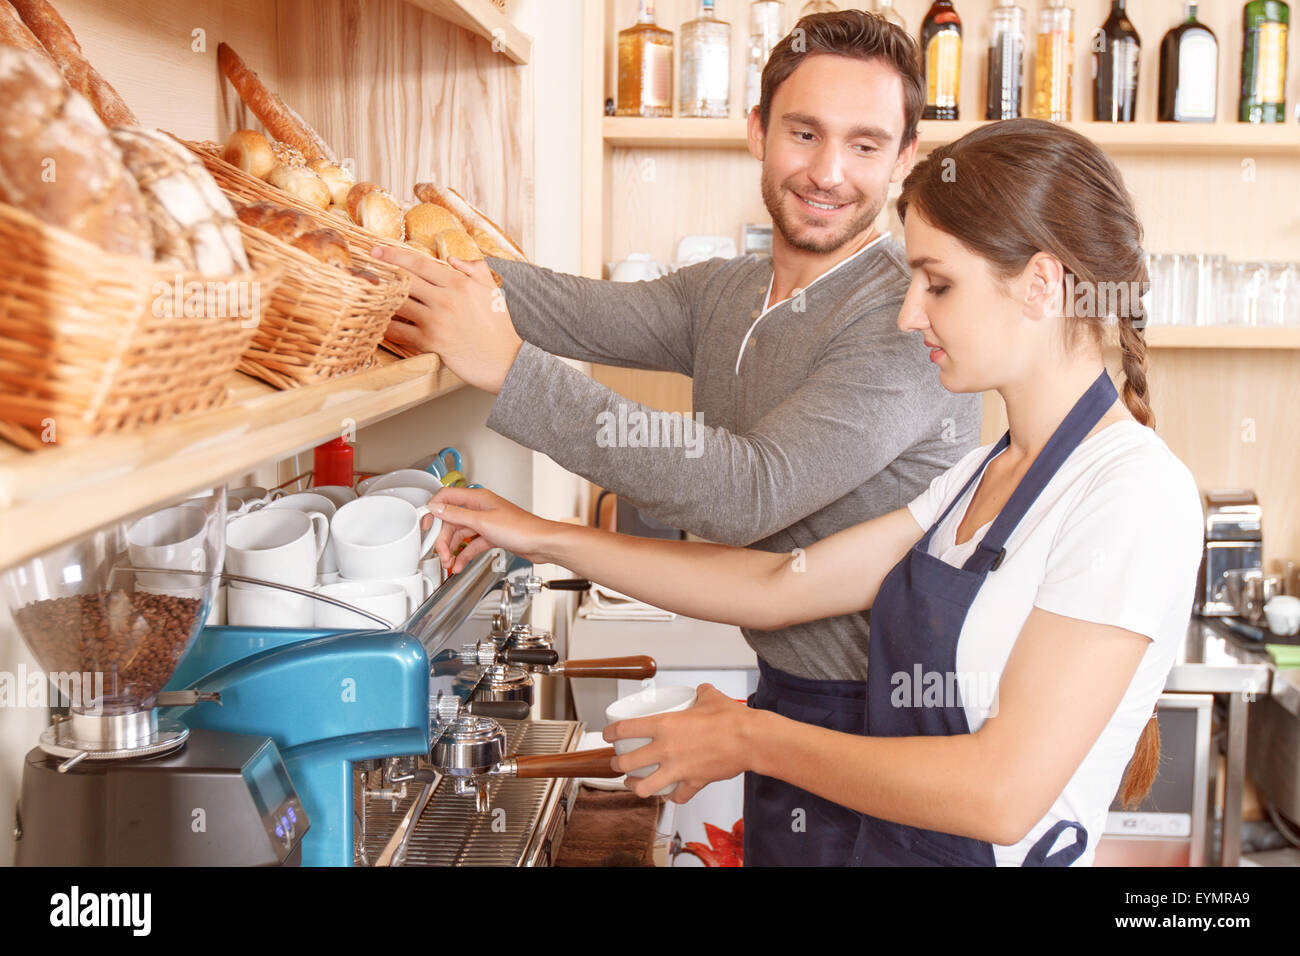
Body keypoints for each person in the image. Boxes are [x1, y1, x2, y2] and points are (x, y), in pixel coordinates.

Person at [422, 118, 1205, 867]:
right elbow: (776, 585)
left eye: (937, 285)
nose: (909, 314)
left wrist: (752, 739)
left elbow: (999, 795)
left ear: (1040, 285)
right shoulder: (980, 475)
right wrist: (544, 537)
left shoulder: (1132, 495)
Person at [374, 12, 980, 865]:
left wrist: (510, 370)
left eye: (866, 145)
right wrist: (388, 261)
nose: (829, 172)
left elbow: (748, 492)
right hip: (792, 698)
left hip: (886, 723)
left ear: (905, 159)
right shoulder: (729, 294)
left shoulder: (903, 320)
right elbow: (564, 305)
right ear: (756, 132)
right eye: (803, 132)